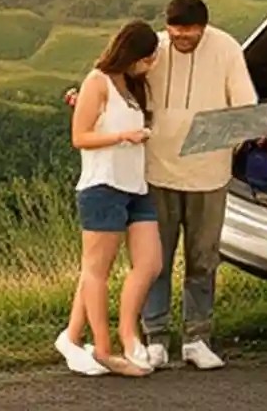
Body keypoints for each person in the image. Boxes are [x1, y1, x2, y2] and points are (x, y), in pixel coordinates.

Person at [139, 0, 258, 370]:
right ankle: (154, 338)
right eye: (175, 28)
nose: (181, 36)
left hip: (209, 176)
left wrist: (231, 146)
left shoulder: (226, 49)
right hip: (157, 172)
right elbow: (121, 84)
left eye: (189, 30)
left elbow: (245, 106)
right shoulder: (155, 48)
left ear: (203, 27)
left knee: (202, 260)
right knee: (155, 260)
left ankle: (197, 338)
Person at [56, 20, 163, 378]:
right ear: (131, 54)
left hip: (136, 185)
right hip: (103, 185)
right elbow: (80, 136)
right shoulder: (97, 81)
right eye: (147, 59)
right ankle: (103, 350)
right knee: (96, 271)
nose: (150, 64)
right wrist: (123, 137)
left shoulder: (131, 85)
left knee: (149, 264)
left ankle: (114, 334)